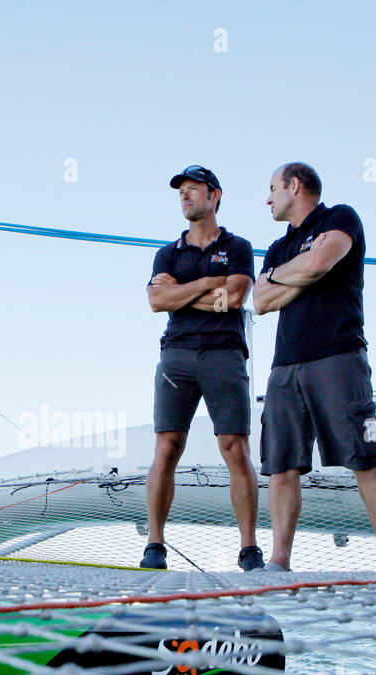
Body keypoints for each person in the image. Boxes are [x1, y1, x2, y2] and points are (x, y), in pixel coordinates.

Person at [251, 162, 376, 573]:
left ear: (294, 186)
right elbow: (260, 301)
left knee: (364, 456)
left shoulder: (340, 217)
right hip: (285, 367)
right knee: (281, 465)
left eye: (272, 188)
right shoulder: (279, 247)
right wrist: (297, 269)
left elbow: (320, 264)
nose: (267, 198)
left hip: (339, 356)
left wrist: (288, 275)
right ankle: (279, 562)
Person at [143, 165, 262, 571]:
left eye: (194, 190)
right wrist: (206, 285)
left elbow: (232, 297)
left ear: (215, 196)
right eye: (181, 192)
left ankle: (248, 549)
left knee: (235, 448)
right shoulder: (167, 253)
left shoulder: (239, 246)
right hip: (176, 353)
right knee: (167, 447)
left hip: (223, 353)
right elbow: (156, 303)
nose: (185, 197)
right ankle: (154, 546)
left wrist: (178, 291)